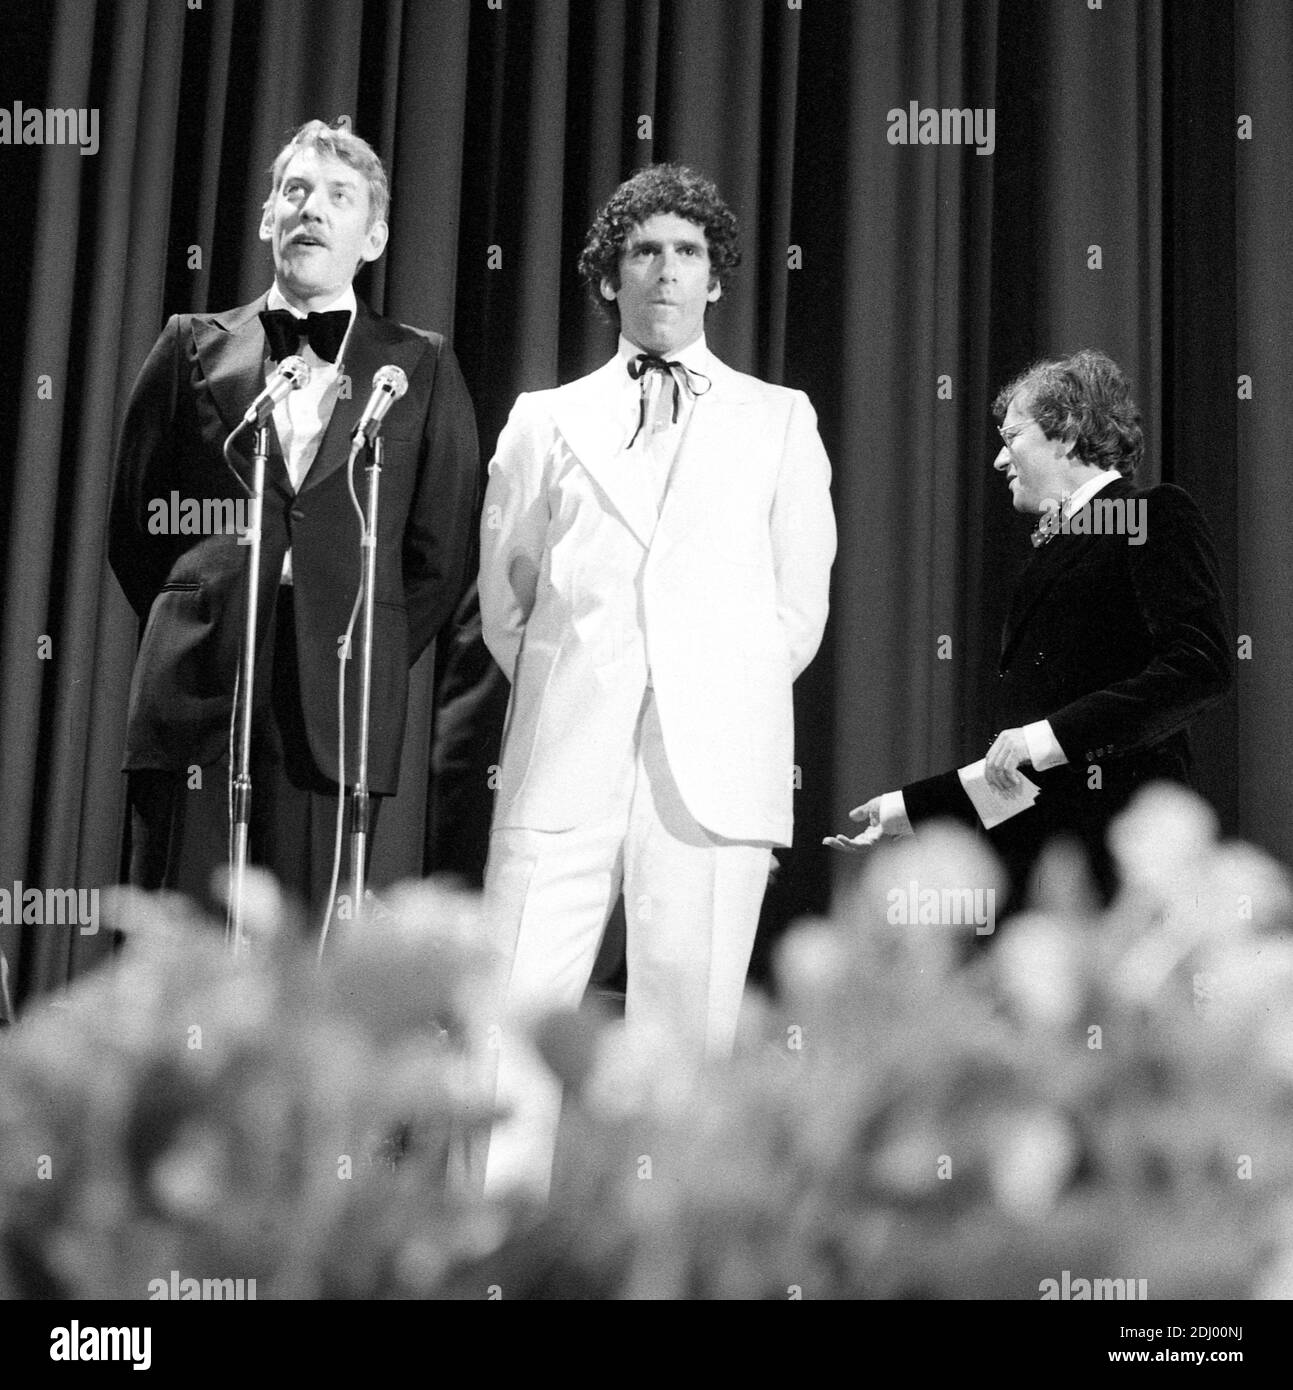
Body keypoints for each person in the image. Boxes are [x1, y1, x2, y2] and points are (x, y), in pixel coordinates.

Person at [477, 164, 836, 1198]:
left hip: (710, 769)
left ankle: (664, 1260)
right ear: (610, 276)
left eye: (686, 252)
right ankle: (488, 1251)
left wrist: (705, 696)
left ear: (715, 277)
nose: (666, 271)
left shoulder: (779, 418)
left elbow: (795, 612)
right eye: (644, 251)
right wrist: (581, 687)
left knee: (687, 1036)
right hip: (565, 761)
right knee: (517, 1021)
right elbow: (509, 600)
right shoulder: (544, 417)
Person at [109, 118, 479, 927]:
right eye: (296, 192)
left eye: (338, 197)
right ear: (269, 216)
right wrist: (210, 610)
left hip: (334, 700)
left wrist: (354, 640)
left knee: (301, 963)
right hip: (201, 686)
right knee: (178, 950)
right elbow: (137, 529)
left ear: (373, 236)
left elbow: (438, 558)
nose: (311, 208)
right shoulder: (189, 347)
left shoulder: (417, 364)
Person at [832, 349, 1231, 910]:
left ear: (1066, 435)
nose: (998, 460)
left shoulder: (1149, 515)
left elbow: (1199, 668)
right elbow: (1019, 761)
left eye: (1011, 436)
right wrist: (907, 808)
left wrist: (1039, 740)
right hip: (1036, 870)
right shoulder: (1051, 555)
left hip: (1116, 868)